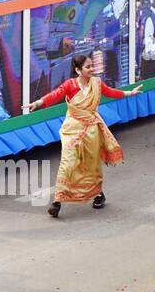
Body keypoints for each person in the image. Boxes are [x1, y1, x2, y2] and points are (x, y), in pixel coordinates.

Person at [25, 55, 141, 218]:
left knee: (91, 164)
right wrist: (38, 103)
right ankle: (57, 202)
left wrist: (130, 93)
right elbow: (55, 95)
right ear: (78, 70)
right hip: (72, 129)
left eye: (92, 66)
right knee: (67, 163)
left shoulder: (96, 83)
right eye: (88, 67)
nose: (91, 69)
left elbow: (110, 92)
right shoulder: (70, 85)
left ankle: (98, 194)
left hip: (91, 130)